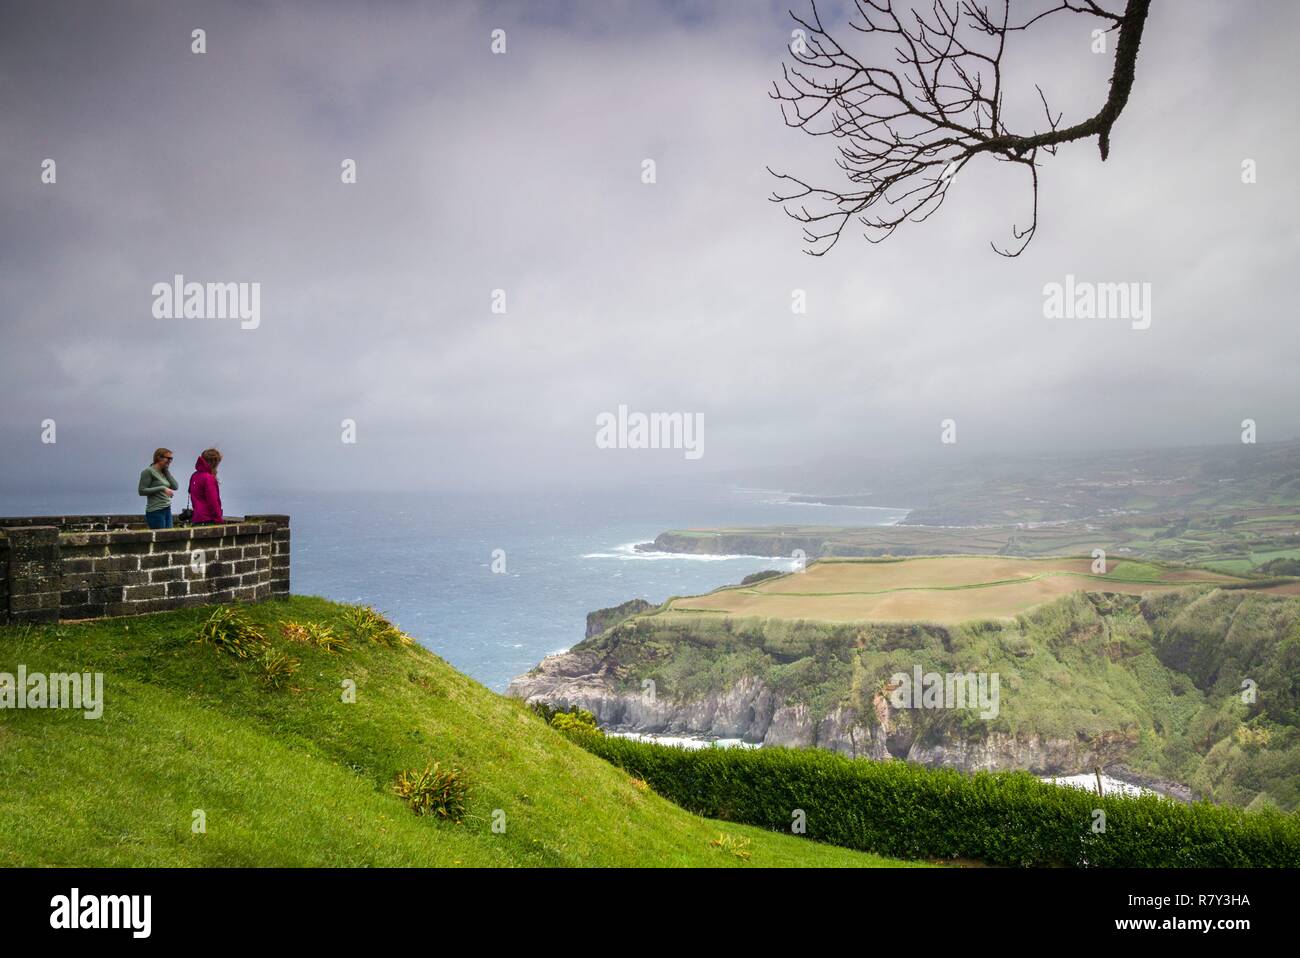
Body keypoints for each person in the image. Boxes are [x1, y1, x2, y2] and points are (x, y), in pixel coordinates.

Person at [138, 447, 179, 529]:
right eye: (168, 458)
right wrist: (162, 488)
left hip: (167, 509)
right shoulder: (148, 472)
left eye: (171, 459)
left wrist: (167, 471)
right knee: (161, 538)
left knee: (169, 537)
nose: (170, 461)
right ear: (159, 457)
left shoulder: (164, 472)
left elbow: (175, 486)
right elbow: (141, 491)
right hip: (155, 511)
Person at [189, 448, 224, 524]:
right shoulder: (208, 478)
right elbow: (213, 501)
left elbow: (192, 496)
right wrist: (219, 519)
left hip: (196, 518)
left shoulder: (194, 475)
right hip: (208, 519)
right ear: (214, 463)